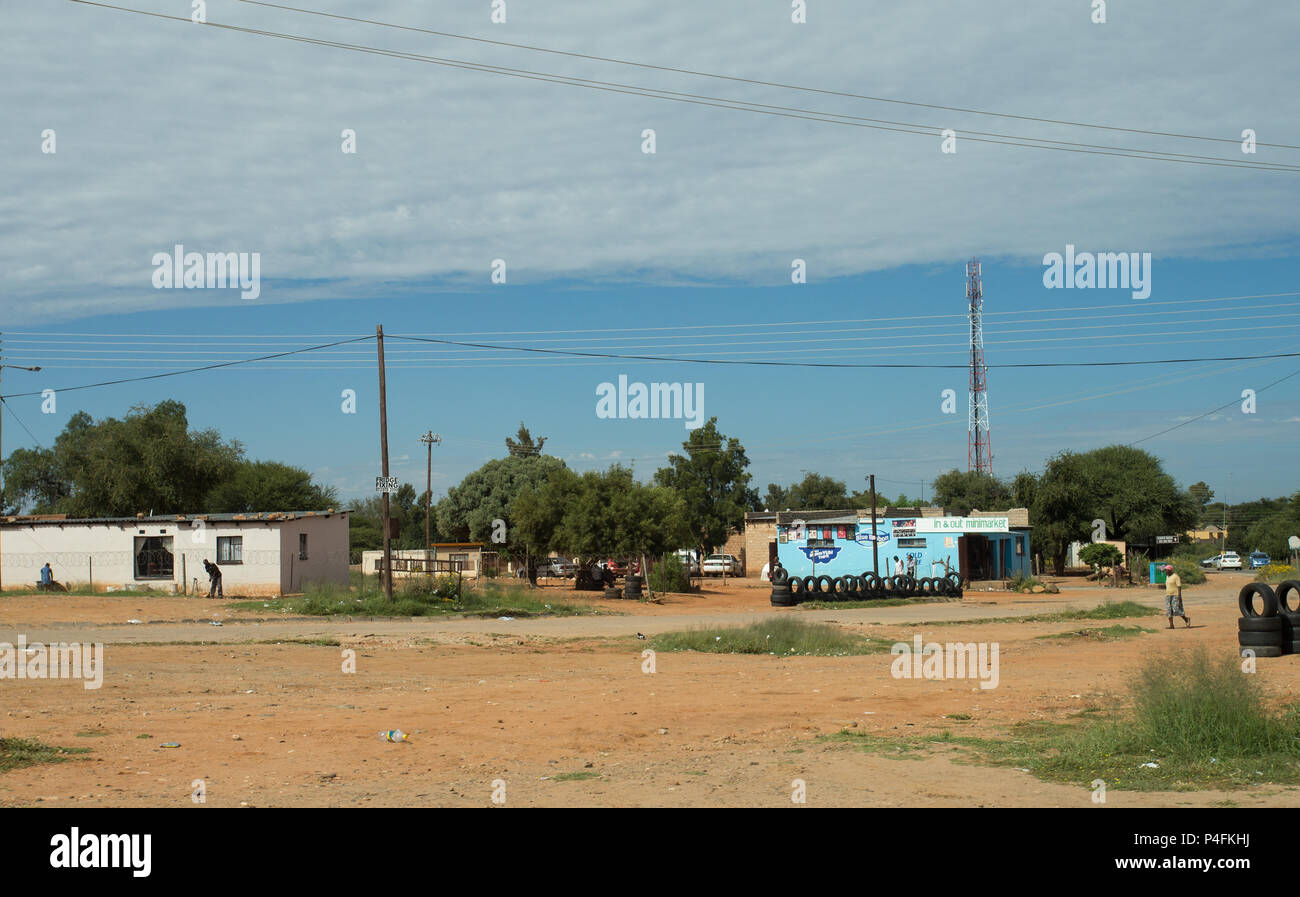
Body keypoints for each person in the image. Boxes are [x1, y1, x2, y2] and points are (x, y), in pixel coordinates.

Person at [1163, 564, 1189, 629]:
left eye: (1166, 570)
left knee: (1176, 609)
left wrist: (1179, 596)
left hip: (1175, 595)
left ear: (1170, 570)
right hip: (1168, 595)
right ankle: (1171, 625)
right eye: (1165, 570)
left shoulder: (1176, 576)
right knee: (1169, 610)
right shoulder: (1167, 577)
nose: (1165, 572)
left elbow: (1179, 586)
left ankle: (1186, 619)